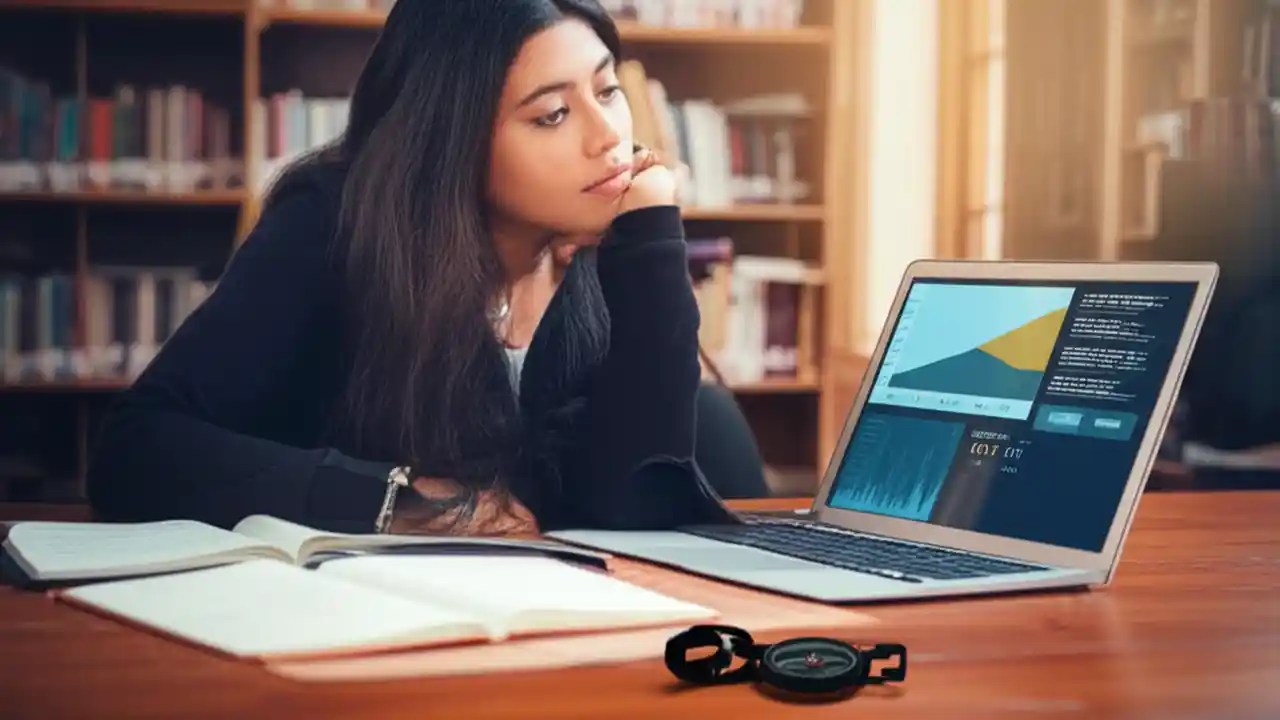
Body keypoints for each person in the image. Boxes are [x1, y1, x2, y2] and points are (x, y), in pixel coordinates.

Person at [84, 0, 742, 537]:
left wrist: (653, 237)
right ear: (452, 139)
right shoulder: (334, 225)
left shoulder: (606, 249)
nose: (609, 137)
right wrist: (393, 503)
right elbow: (136, 451)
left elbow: (635, 507)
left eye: (608, 89)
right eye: (553, 114)